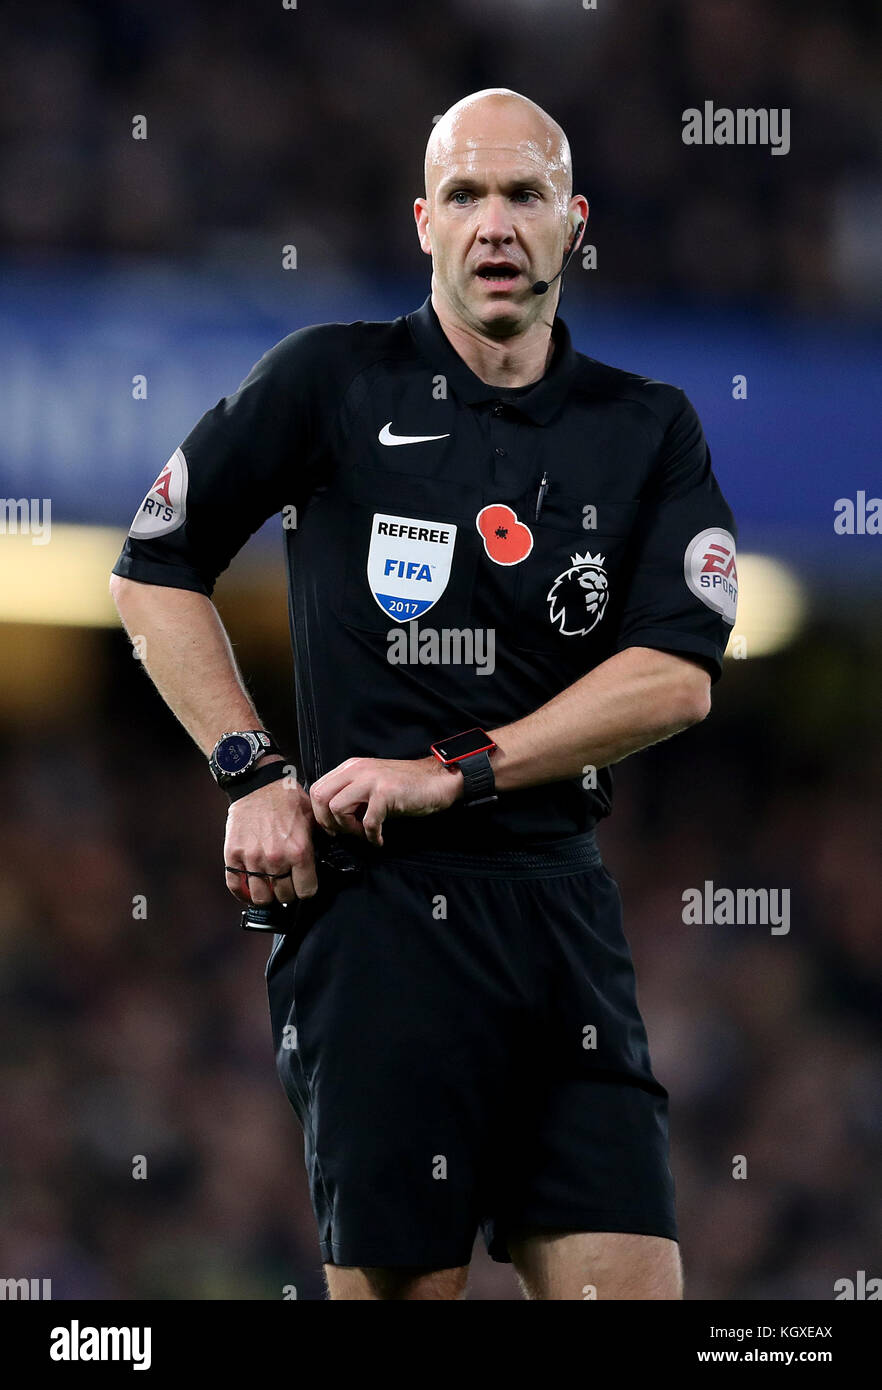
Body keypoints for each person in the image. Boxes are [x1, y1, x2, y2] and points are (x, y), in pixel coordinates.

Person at [110, 88, 738, 1300]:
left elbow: (674, 677)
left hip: (562, 912)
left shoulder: (647, 428)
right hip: (379, 911)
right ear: (423, 223)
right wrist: (252, 769)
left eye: (524, 195)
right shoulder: (330, 381)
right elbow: (154, 567)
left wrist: (456, 768)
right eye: (466, 196)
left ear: (574, 222)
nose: (494, 223)